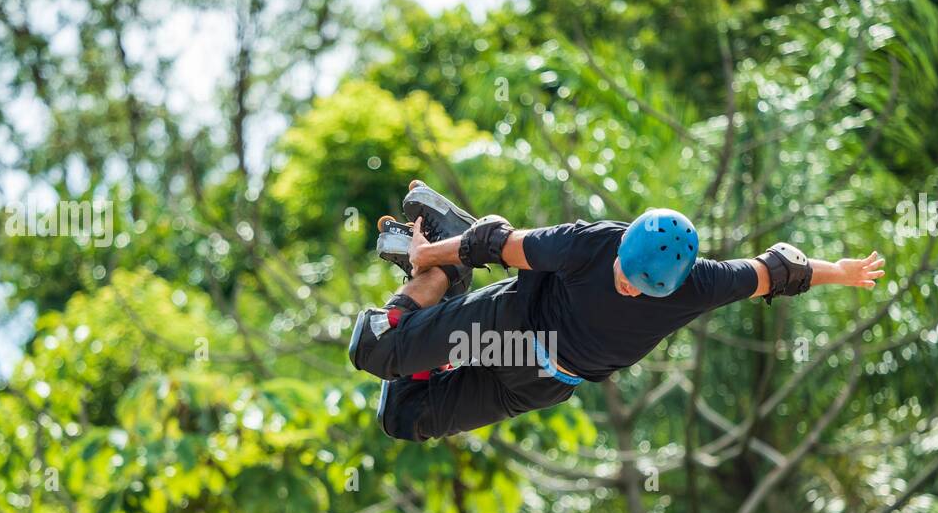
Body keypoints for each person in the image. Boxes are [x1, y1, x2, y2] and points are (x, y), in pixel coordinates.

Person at [349, 181, 885, 442]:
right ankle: (440, 276)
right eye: (625, 277)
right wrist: (426, 256)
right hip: (508, 327)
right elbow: (495, 241)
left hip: (546, 380)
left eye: (644, 289)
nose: (629, 289)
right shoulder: (586, 244)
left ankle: (442, 287)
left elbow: (780, 269)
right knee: (372, 349)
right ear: (623, 245)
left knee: (402, 417)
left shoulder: (702, 283)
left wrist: (839, 271)